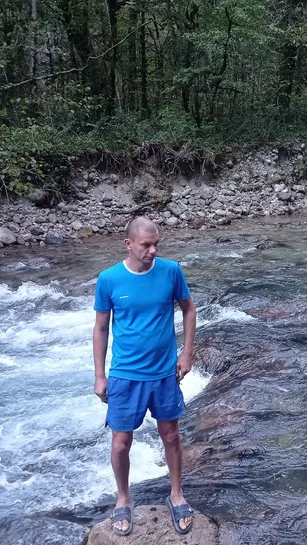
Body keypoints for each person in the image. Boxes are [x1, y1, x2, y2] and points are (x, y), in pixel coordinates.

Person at [93, 216, 196, 536]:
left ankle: (176, 494)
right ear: (128, 244)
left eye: (156, 244)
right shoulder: (109, 279)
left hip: (164, 372)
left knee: (171, 435)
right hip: (125, 374)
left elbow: (189, 309)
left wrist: (187, 353)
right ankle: (123, 499)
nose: (153, 250)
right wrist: (99, 375)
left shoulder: (171, 271)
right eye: (146, 245)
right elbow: (100, 328)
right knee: (121, 443)